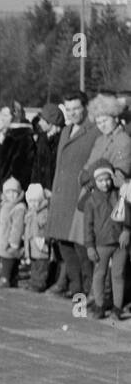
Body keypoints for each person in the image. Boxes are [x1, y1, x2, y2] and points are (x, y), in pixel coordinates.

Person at [44, 90, 99, 298]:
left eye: (76, 108)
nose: (73, 113)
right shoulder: (66, 131)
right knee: (64, 244)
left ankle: (88, 290)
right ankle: (76, 288)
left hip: (79, 197)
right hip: (61, 195)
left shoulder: (94, 131)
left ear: (85, 107)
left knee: (81, 247)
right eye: (68, 109)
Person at [83, 164, 127, 319]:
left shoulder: (119, 196)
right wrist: (90, 246)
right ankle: (100, 305)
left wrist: (127, 231)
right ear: (96, 181)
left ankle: (117, 308)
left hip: (120, 244)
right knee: (100, 274)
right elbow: (87, 226)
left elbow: (127, 215)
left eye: (107, 179)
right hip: (101, 244)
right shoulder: (91, 201)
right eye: (101, 180)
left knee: (118, 275)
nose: (105, 183)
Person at [0, 178, 27, 288]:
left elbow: (18, 226)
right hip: (3, 235)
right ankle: (10, 276)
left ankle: (5, 278)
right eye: (8, 192)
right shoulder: (5, 204)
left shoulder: (19, 208)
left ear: (19, 193)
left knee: (9, 257)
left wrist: (14, 241)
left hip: (10, 237)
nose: (11, 195)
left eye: (14, 192)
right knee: (4, 257)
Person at [23, 184, 53, 293]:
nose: (33, 204)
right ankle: (34, 281)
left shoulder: (44, 212)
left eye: (36, 201)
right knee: (34, 264)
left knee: (41, 264)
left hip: (40, 243)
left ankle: (39, 283)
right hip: (32, 242)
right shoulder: (31, 212)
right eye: (31, 201)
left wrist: (44, 237)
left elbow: (46, 226)